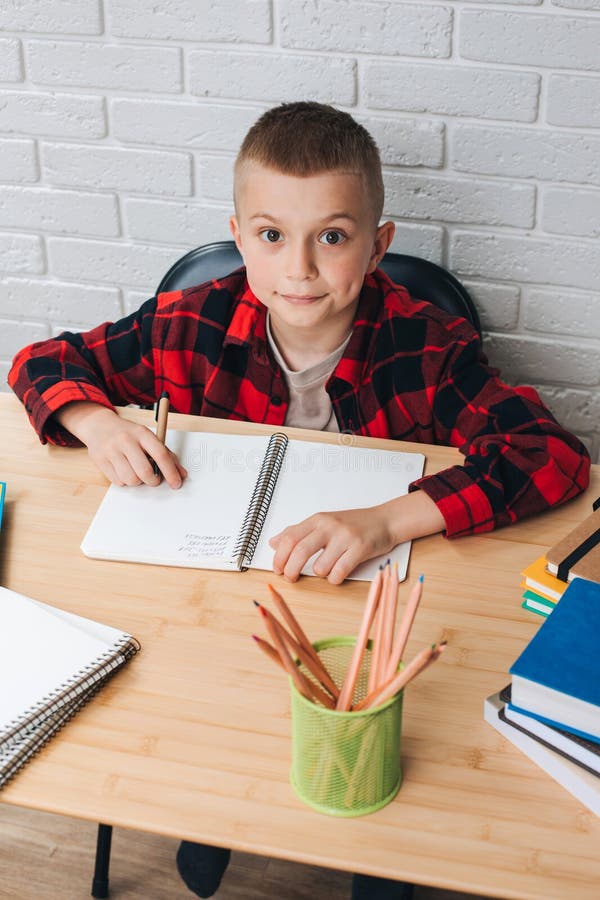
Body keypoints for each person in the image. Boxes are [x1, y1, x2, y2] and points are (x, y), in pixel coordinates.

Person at [9, 102, 590, 900]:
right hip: (213, 614)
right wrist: (95, 417)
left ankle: (373, 863)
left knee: (376, 762)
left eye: (334, 236)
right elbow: (43, 361)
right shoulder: (189, 322)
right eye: (273, 235)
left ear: (378, 245)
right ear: (239, 235)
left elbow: (548, 456)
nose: (301, 270)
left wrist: (389, 518)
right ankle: (212, 819)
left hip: (361, 622)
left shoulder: (425, 344)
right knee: (199, 724)